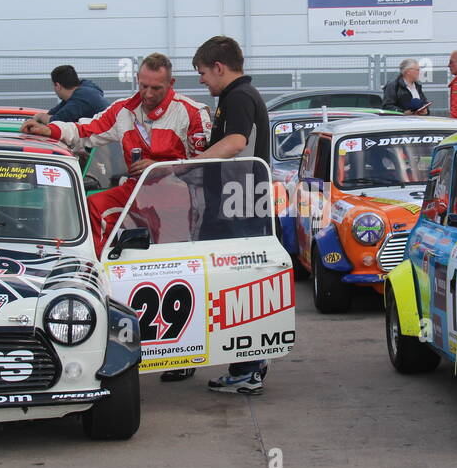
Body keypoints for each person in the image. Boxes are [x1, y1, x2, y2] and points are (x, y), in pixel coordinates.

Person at [22, 53, 211, 252]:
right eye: (143, 86)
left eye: (156, 88)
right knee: (93, 206)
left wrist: (158, 168)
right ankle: (98, 273)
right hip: (135, 191)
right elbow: (85, 130)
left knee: (172, 253)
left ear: (171, 83)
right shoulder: (123, 110)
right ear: (138, 79)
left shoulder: (192, 113)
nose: (147, 94)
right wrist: (50, 130)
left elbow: (204, 167)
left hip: (178, 196)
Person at [188, 35, 272, 395]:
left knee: (235, 287)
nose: (201, 80)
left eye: (203, 72)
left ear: (219, 67)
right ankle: (250, 361)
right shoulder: (239, 95)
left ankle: (247, 369)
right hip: (240, 206)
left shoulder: (237, 96)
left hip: (238, 210)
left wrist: (187, 164)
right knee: (238, 286)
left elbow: (236, 142)